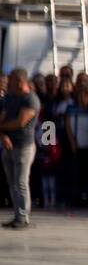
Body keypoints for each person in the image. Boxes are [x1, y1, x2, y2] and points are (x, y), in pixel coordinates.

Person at [1, 68, 40, 230]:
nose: (7, 83)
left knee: (21, 182)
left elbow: (20, 122)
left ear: (19, 82)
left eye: (10, 80)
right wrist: (2, 134)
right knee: (12, 183)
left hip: (24, 147)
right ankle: (18, 215)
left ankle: (23, 217)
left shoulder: (31, 100)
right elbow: (1, 116)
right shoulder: (9, 98)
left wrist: (1, 128)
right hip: (8, 145)